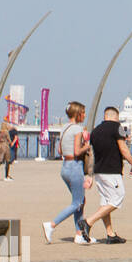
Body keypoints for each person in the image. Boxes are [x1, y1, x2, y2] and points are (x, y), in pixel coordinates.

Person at [81, 107, 132, 244]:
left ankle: (110, 234)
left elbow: (91, 154)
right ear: (116, 117)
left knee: (106, 201)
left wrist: (90, 174)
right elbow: (123, 149)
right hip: (111, 171)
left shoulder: (95, 131)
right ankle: (88, 222)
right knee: (118, 197)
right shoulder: (118, 127)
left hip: (99, 171)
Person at [43, 101, 94, 244]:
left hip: (65, 167)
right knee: (77, 202)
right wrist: (87, 146)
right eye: (83, 112)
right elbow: (77, 151)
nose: (84, 115)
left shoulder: (64, 127)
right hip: (75, 166)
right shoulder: (77, 129)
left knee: (79, 201)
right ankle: (51, 225)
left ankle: (79, 234)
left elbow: (60, 150)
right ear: (78, 114)